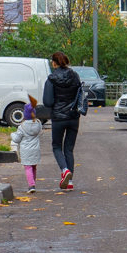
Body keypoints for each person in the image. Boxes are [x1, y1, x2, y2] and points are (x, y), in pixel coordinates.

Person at [42, 51, 82, 190]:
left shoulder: (51, 79)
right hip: (73, 117)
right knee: (69, 149)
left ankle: (65, 170)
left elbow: (47, 101)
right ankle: (69, 182)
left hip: (58, 118)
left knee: (57, 146)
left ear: (54, 63)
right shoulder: (75, 76)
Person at [9, 101, 43, 193]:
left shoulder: (22, 127)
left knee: (28, 168)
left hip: (26, 151)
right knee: (33, 167)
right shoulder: (38, 124)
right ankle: (33, 183)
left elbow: (16, 139)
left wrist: (12, 134)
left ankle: (31, 185)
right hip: (35, 150)